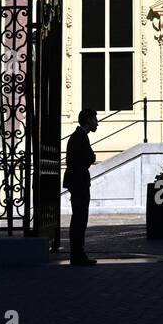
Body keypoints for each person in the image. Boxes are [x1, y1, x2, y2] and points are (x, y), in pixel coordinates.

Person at [63, 109, 98, 266]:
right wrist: (90, 158)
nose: (97, 122)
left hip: (77, 181)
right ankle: (77, 254)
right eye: (95, 119)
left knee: (79, 217)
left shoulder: (79, 136)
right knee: (79, 218)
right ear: (88, 120)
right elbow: (89, 157)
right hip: (79, 182)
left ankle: (77, 253)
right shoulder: (80, 137)